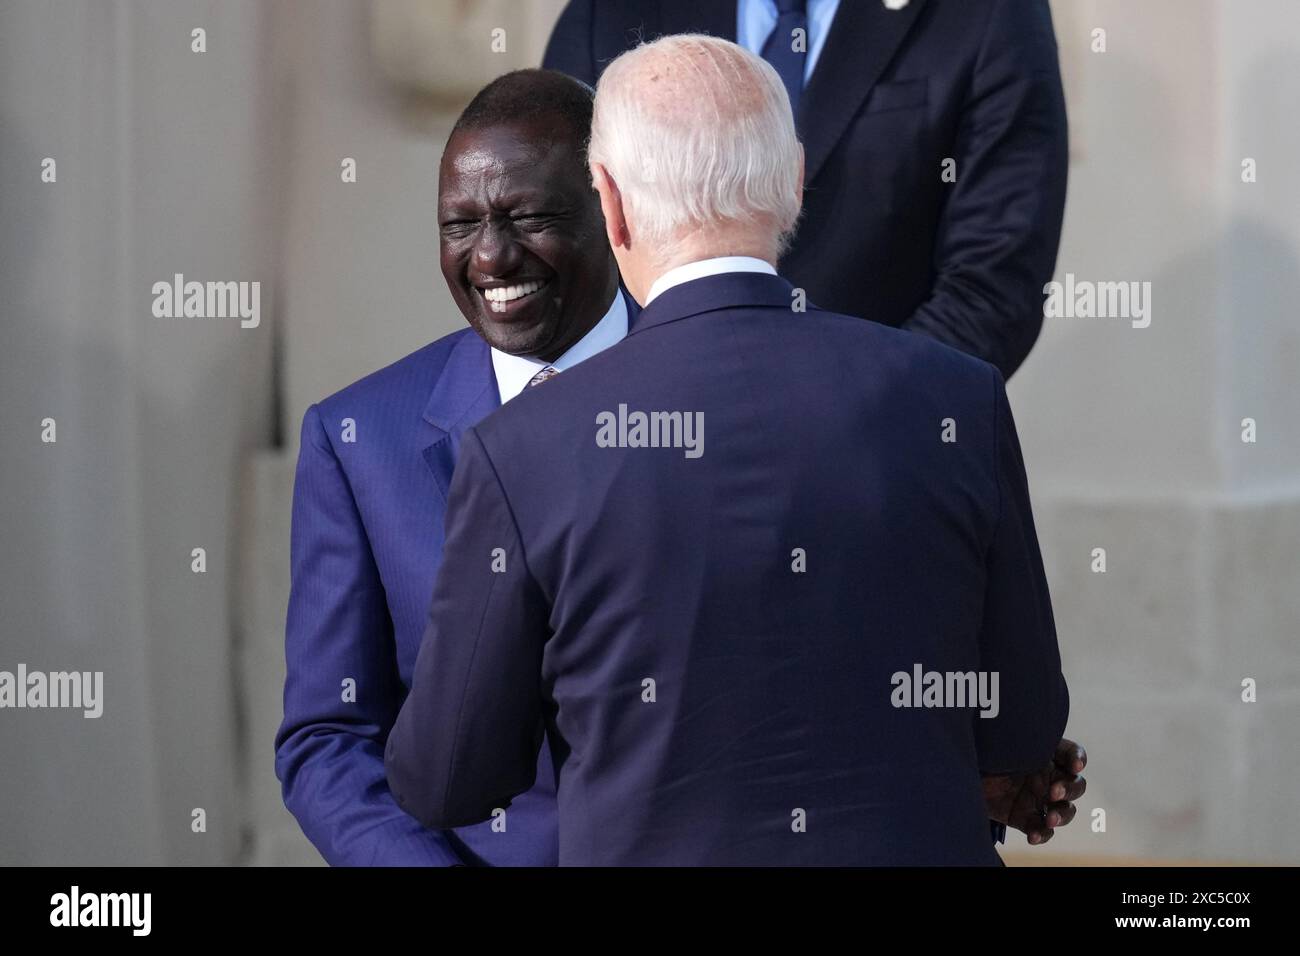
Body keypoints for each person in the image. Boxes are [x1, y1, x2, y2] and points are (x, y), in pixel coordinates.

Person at [385, 36, 1071, 864]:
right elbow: (1024, 723)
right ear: (792, 180)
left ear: (610, 202)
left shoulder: (526, 445)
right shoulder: (955, 397)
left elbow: (448, 777)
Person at [274, 70, 633, 866]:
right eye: (459, 225)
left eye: (531, 217)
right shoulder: (358, 440)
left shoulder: (714, 391)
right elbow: (330, 739)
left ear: (613, 212)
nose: (492, 257)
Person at [543, 0, 1069, 379]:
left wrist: (842, 410)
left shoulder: (989, 14)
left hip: (879, 465)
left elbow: (994, 283)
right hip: (651, 454)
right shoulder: (606, 13)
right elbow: (561, 241)